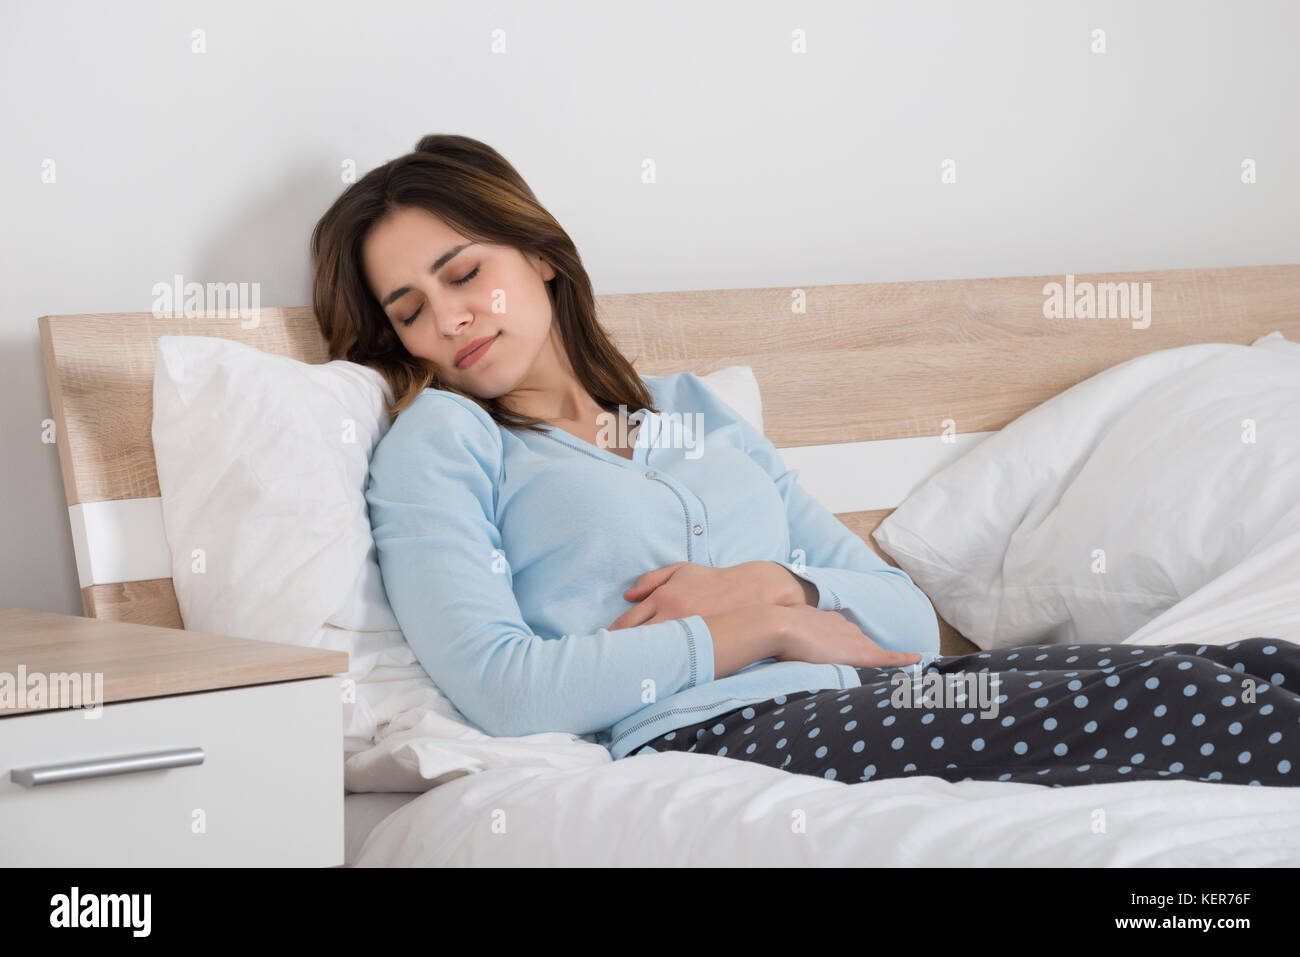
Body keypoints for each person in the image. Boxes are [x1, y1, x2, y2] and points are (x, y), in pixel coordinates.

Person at [310, 133, 1299, 788]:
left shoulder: (694, 414)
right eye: (409, 311)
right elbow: (503, 686)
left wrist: (771, 584)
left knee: (1245, 665)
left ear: (540, 256)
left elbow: (906, 613)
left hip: (874, 692)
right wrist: (762, 632)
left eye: (464, 273)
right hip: (721, 741)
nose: (448, 320)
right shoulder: (448, 441)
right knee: (1190, 706)